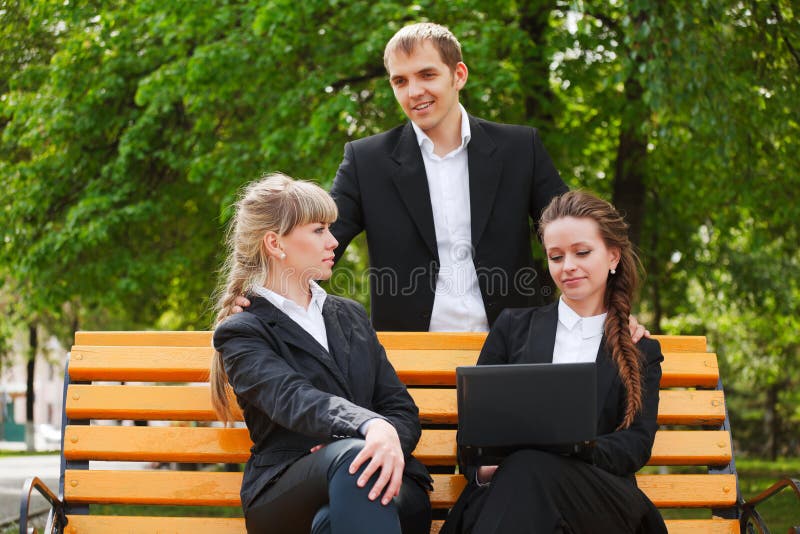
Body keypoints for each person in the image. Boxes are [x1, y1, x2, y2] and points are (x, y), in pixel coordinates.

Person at [211, 173, 432, 534]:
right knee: (350, 462)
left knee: (333, 516)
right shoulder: (243, 331)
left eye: (330, 228)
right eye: (318, 230)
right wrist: (366, 427)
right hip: (285, 490)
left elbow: (400, 408)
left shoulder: (350, 316)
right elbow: (291, 397)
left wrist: (387, 441)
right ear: (275, 243)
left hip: (386, 481)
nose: (333, 241)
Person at [441, 191, 667, 534]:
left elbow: (634, 445)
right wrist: (485, 466)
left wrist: (566, 449)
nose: (568, 266)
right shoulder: (512, 329)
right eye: (556, 256)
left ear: (613, 256)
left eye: (582, 252)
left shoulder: (639, 348)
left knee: (529, 466)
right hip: (510, 494)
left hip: (599, 502)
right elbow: (474, 436)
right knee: (525, 475)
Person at [328, 22, 569, 332]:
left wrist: (611, 310)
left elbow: (575, 235)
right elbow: (318, 241)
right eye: (400, 81)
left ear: (459, 75)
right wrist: (253, 292)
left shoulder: (521, 149)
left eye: (427, 75)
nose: (414, 92)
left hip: (513, 349)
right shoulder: (366, 161)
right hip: (409, 357)